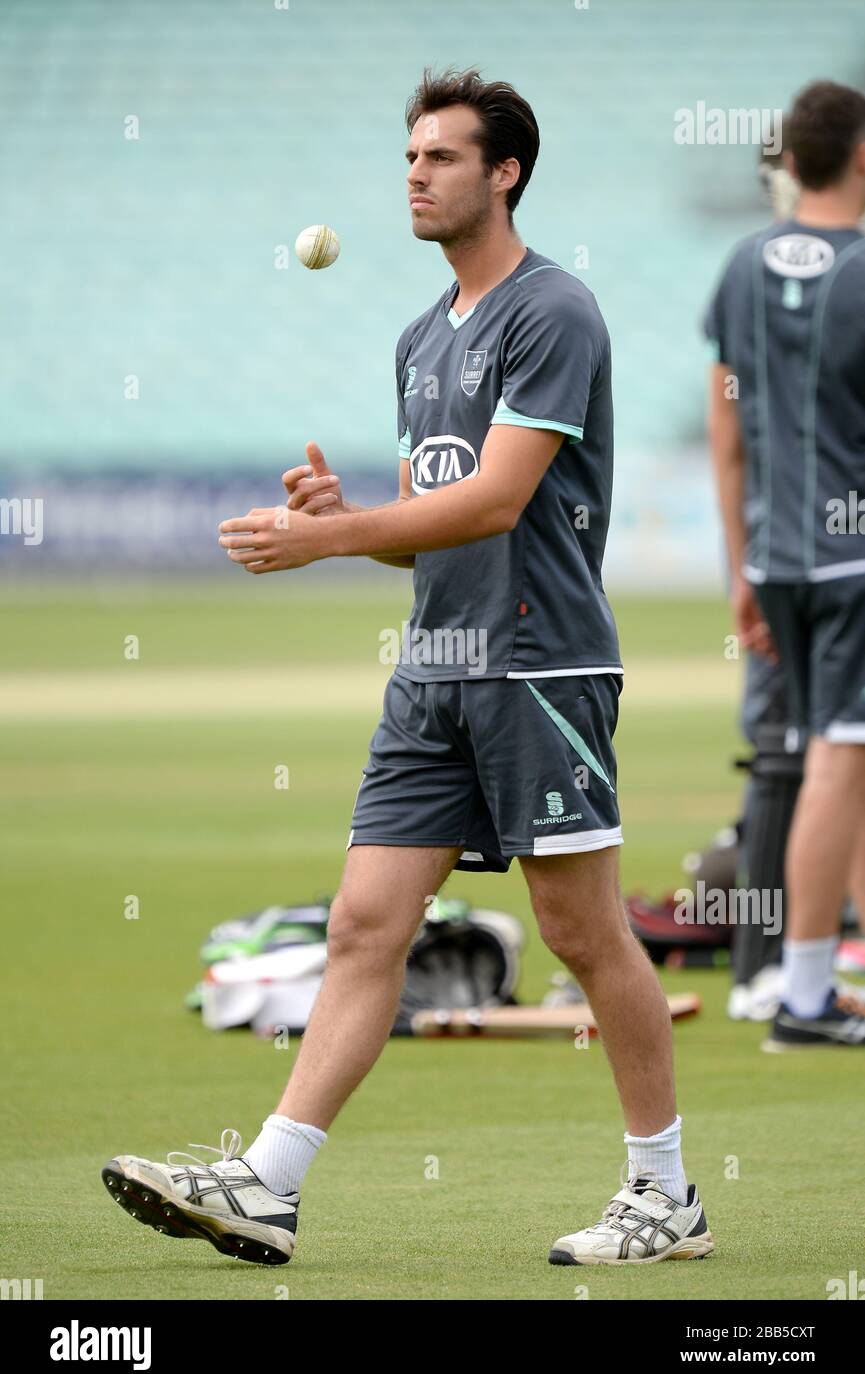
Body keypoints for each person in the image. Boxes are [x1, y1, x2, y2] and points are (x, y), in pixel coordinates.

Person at [102, 68, 713, 1268]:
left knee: (582, 934)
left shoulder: (554, 311)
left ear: (504, 173)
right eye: (408, 157)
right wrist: (355, 515)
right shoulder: (419, 336)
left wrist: (325, 538)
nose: (415, 175)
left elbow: (495, 503)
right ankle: (268, 1184)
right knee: (364, 923)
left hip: (539, 667)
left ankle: (666, 1195)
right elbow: (440, 520)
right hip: (434, 668)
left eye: (439, 157)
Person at [705, 79, 865, 1051]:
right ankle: (802, 994)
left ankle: (815, 977)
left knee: (845, 759)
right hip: (854, 561)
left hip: (780, 556)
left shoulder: (738, 266)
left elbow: (727, 433)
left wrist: (741, 567)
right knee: (836, 760)